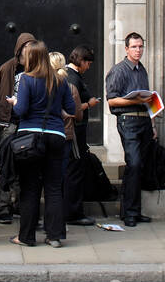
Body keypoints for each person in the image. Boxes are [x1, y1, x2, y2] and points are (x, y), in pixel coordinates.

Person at [9, 41, 75, 248]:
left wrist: (14, 102)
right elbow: (71, 108)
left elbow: (21, 111)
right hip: (56, 135)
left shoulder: (27, 80)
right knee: (54, 188)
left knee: (30, 188)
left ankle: (26, 237)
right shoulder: (61, 81)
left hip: (30, 138)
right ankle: (54, 236)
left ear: (31, 58)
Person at [105, 32, 155, 228]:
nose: (138, 50)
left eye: (141, 46)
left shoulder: (142, 70)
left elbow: (147, 100)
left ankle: (134, 210)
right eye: (134, 47)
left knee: (140, 165)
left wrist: (153, 122)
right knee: (133, 163)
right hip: (128, 120)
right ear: (126, 49)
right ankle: (129, 212)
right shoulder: (118, 71)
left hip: (144, 121)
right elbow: (111, 100)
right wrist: (134, 100)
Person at [0, 32, 36, 224]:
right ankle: (4, 206)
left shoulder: (37, 68)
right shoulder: (7, 68)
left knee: (26, 165)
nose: (28, 50)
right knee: (7, 163)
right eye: (26, 47)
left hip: (29, 123)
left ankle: (20, 205)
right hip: (11, 122)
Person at [64, 45, 99, 227]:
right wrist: (89, 103)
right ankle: (73, 212)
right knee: (74, 171)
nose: (89, 67)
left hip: (77, 130)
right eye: (88, 63)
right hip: (75, 130)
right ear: (82, 61)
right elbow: (72, 108)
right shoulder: (72, 78)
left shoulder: (73, 76)